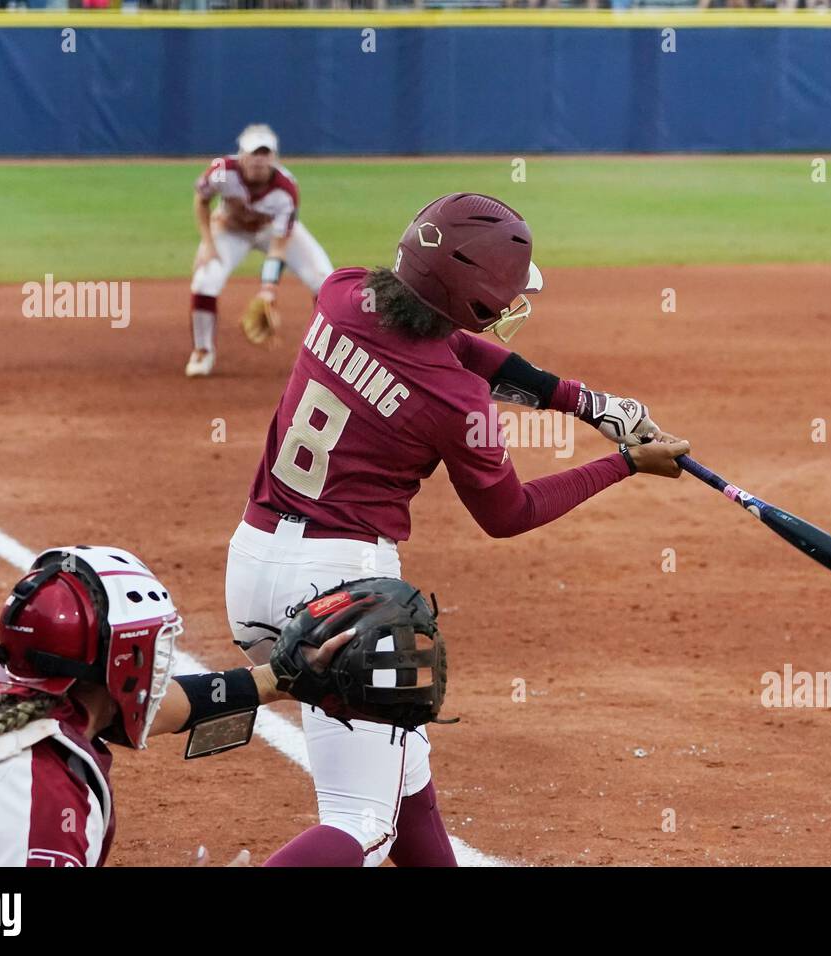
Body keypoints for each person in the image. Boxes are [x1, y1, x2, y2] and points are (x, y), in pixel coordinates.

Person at [225, 191, 690, 867]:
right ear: (473, 302)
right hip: (345, 593)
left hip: (253, 563)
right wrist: (623, 463)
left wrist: (588, 404)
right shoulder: (455, 400)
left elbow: (449, 345)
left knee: (407, 761)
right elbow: (510, 514)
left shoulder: (341, 293)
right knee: (362, 822)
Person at [0, 545, 351, 867]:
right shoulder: (40, 793)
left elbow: (166, 706)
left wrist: (276, 680)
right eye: (150, 649)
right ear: (117, 660)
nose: (156, 666)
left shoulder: (15, 708)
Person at [186, 124, 334, 377]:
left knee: (325, 281)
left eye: (265, 154)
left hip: (270, 232)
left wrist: (268, 289)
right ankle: (202, 351)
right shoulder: (221, 172)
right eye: (254, 153)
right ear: (241, 154)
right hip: (229, 230)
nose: (259, 160)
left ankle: (328, 359)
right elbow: (201, 200)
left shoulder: (286, 190)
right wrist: (208, 244)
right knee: (204, 281)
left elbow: (278, 247)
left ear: (274, 158)